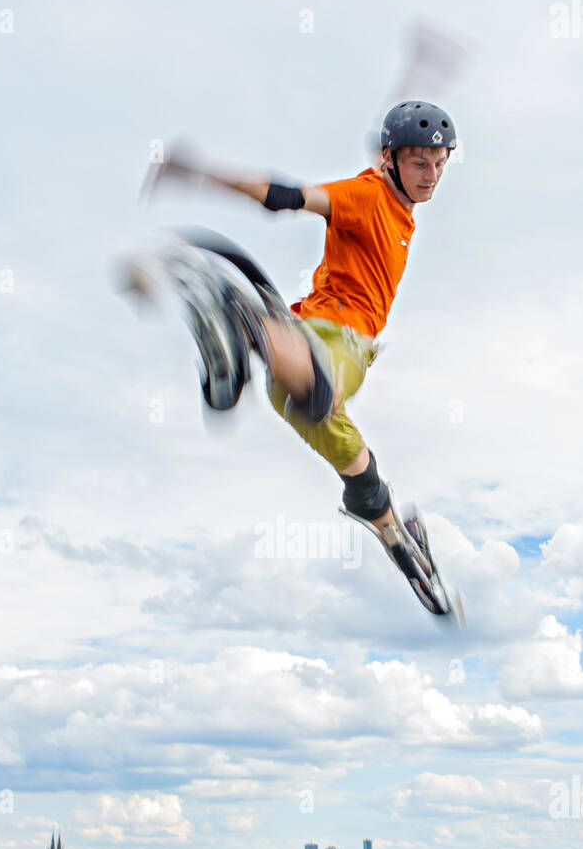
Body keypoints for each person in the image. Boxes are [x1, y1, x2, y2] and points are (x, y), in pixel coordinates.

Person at [146, 102, 455, 539]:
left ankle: (380, 516)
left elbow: (389, 171)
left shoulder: (394, 200)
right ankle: (246, 325)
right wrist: (202, 173)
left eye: (440, 164)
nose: (431, 175)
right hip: (337, 341)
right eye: (420, 163)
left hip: (291, 367)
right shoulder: (367, 197)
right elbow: (288, 197)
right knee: (323, 394)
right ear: (390, 159)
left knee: (346, 449)